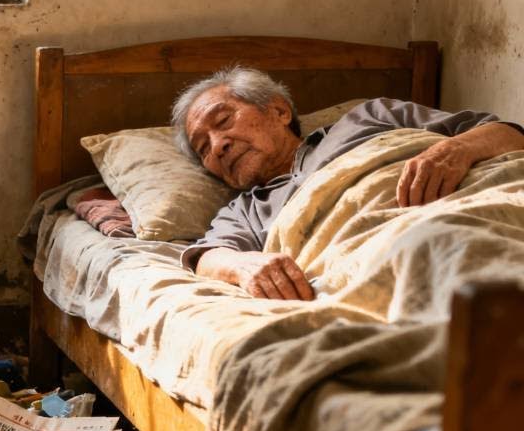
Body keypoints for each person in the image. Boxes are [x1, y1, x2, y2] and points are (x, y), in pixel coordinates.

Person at [171, 67, 524, 300]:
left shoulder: (371, 116)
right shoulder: (245, 210)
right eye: (204, 148)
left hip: (485, 196)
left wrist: (456, 148)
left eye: (223, 120)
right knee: (438, 245)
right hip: (404, 242)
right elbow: (207, 257)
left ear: (279, 111)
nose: (218, 145)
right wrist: (243, 266)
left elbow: (509, 134)